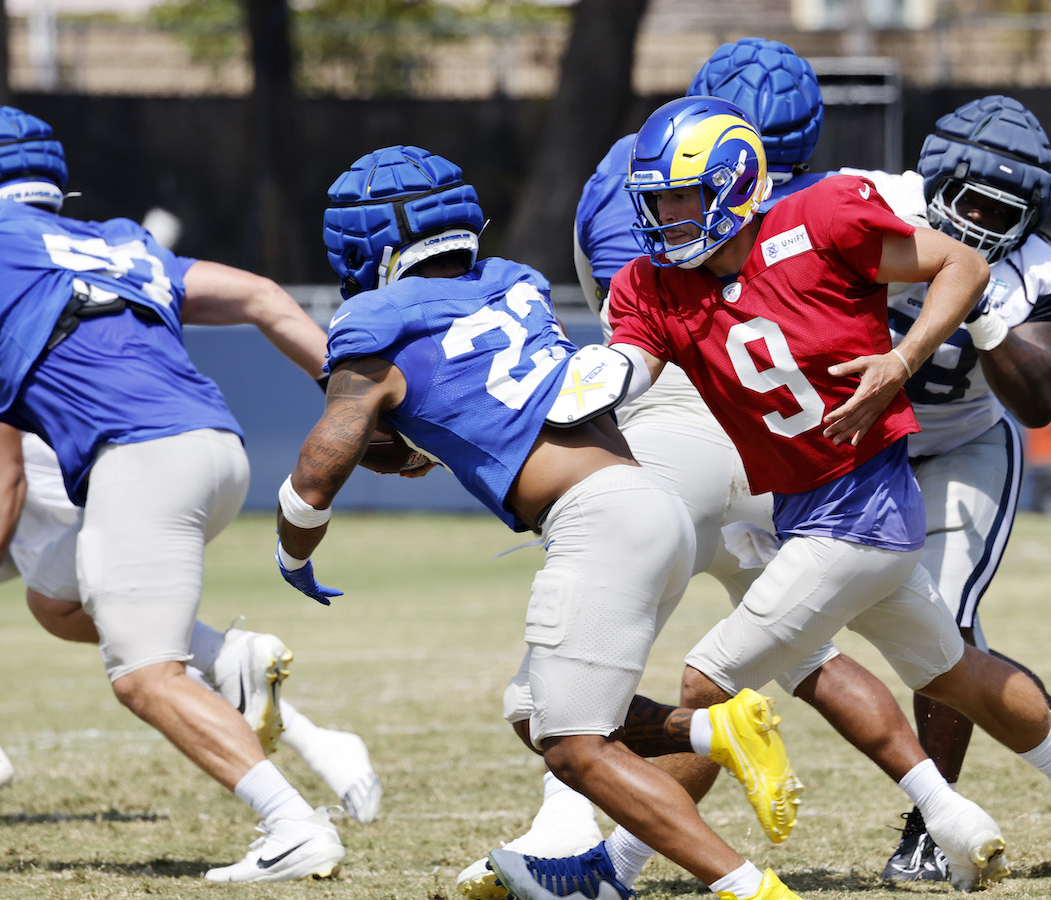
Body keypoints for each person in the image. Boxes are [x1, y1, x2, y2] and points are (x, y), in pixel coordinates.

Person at [530, 96, 1051, 900]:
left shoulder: (822, 216)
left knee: (705, 689)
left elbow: (963, 266)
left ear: (731, 186)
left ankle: (616, 868)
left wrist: (901, 362)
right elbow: (627, 366)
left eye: (680, 198)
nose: (663, 218)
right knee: (951, 670)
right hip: (806, 507)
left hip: (862, 506)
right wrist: (573, 393)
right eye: (654, 202)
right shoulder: (652, 287)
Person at [277, 144, 807, 900]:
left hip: (595, 521)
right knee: (531, 710)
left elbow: (321, 463)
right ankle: (713, 732)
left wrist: (293, 549)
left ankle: (751, 889)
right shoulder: (513, 283)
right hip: (647, 500)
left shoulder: (374, 318)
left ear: (370, 246)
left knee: (572, 749)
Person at [457, 38, 835, 899]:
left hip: (665, 433)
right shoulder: (833, 204)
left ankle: (566, 843)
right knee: (817, 652)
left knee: (562, 680)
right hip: (790, 445)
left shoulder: (623, 188)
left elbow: (636, 314)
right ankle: (992, 799)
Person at [0, 104, 346, 881]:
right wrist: (354, 401)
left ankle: (292, 824)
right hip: (214, 449)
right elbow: (263, 296)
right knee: (55, 594)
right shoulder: (118, 241)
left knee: (143, 675)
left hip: (139, 459)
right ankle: (231, 658)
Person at [854, 94, 1051, 880]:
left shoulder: (1037, 272)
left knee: (941, 634)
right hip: (856, 447)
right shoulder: (869, 204)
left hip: (961, 447)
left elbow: (1040, 401)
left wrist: (987, 316)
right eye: (971, 203)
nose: (987, 224)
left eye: (1008, 211)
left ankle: (937, 823)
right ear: (934, 182)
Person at [0, 317, 382, 822]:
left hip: (61, 500)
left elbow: (8, 469)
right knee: (128, 639)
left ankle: (297, 800)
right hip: (8, 503)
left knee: (135, 655)